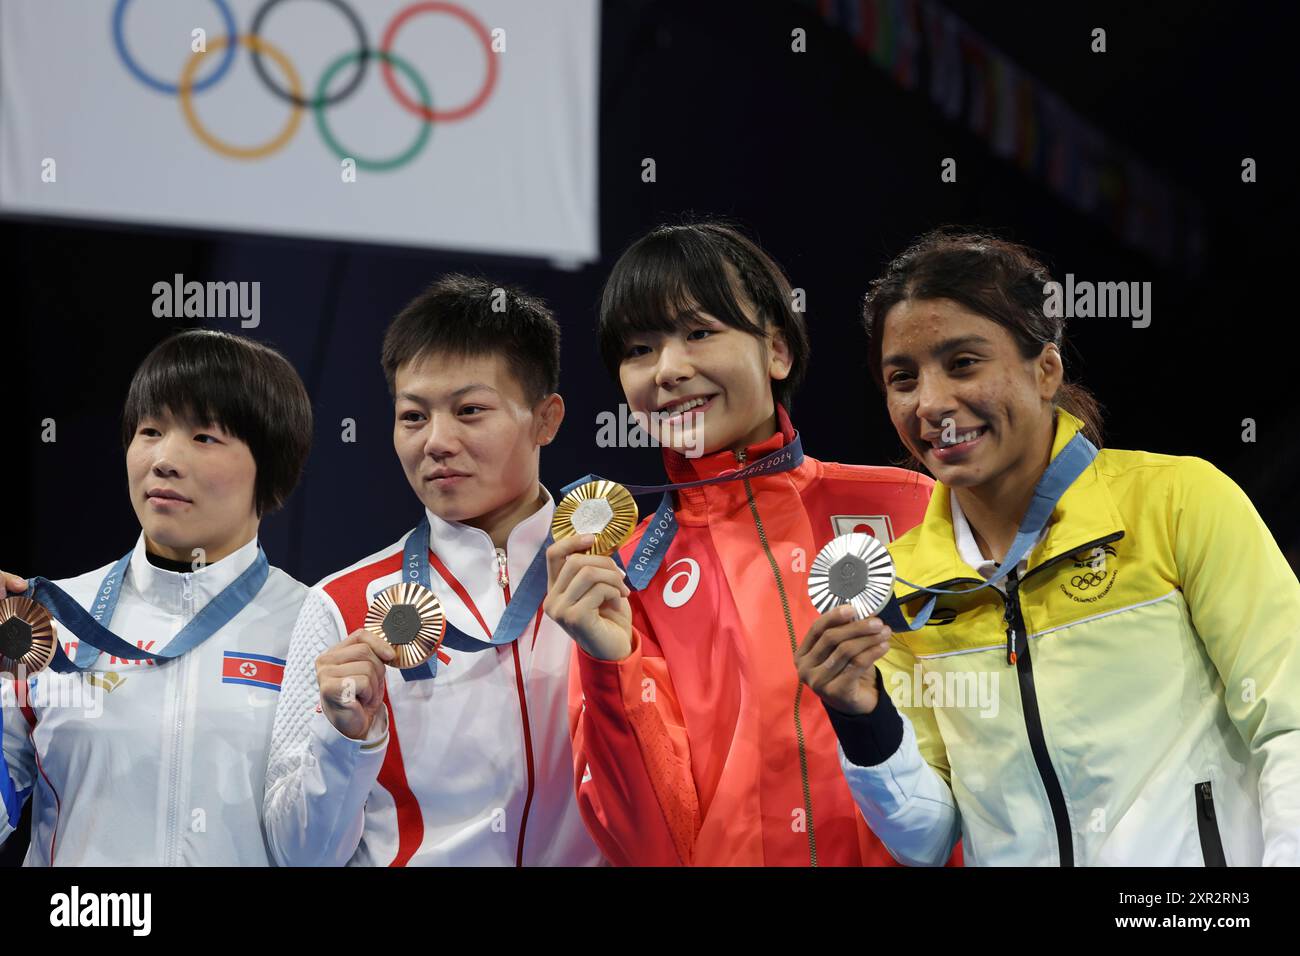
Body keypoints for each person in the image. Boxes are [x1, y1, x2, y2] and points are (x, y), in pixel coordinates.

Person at [798, 229, 1300, 865]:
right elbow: (926, 837)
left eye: (963, 363)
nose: (932, 403)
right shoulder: (902, 585)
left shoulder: (1177, 503)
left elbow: (1288, 724)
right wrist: (861, 715)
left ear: (1045, 369)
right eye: (903, 378)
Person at [544, 221, 948, 865]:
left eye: (700, 332)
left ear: (777, 351)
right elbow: (647, 847)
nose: (669, 370)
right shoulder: (620, 573)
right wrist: (608, 664)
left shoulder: (910, 505)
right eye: (639, 349)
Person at [263, 275, 603, 866]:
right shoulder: (341, 606)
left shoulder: (621, 577)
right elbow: (299, 856)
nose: (437, 442)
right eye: (413, 417)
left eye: (470, 410)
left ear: (546, 419)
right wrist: (345, 739)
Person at [1, 329, 312, 865]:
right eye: (150, 430)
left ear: (272, 466)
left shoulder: (315, 625)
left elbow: (327, 846)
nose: (164, 459)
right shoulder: (46, 621)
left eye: (204, 437)